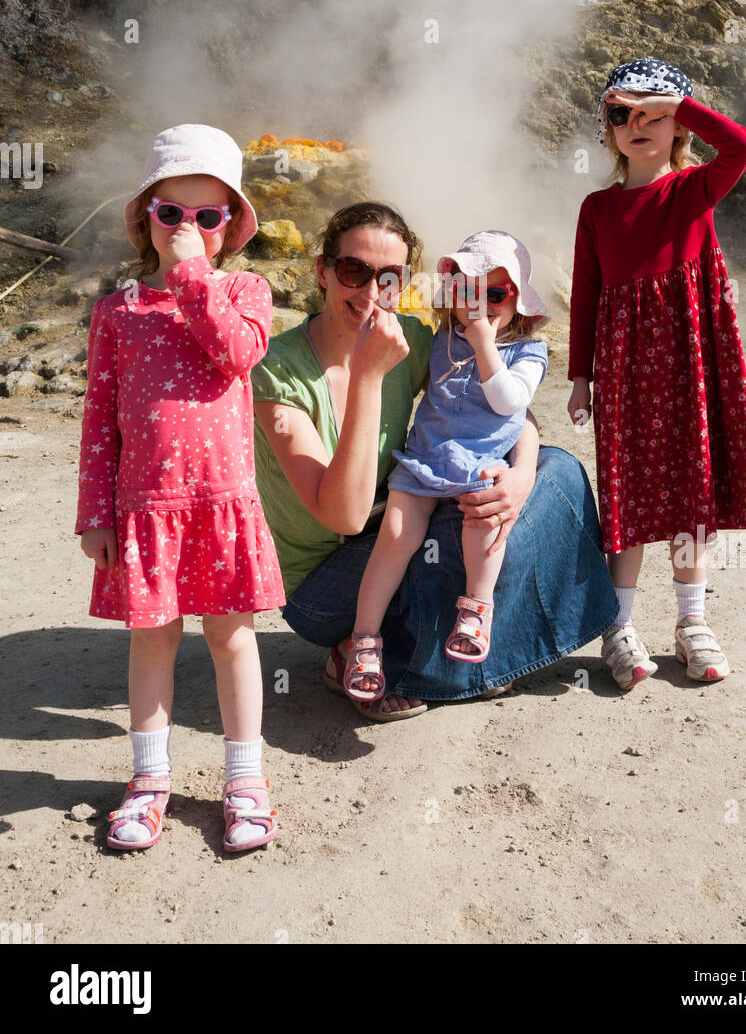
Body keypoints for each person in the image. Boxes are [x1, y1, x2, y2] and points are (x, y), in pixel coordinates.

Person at [252, 200, 618, 721]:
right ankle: (402, 661)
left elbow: (504, 412)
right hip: (322, 586)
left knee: (554, 471)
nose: (371, 292)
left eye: (390, 278)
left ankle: (443, 636)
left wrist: (518, 477)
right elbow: (345, 517)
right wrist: (369, 377)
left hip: (395, 524)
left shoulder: (416, 339)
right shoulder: (277, 370)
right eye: (354, 270)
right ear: (323, 271)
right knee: (449, 527)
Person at [76, 124, 285, 852]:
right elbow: (99, 416)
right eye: (172, 214)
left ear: (229, 227)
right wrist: (95, 513)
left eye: (206, 216)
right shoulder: (118, 311)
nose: (187, 230)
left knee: (231, 640)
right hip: (145, 510)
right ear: (146, 220)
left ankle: (246, 779)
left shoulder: (245, 292)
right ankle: (149, 779)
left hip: (220, 501)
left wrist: (196, 279)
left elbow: (238, 354)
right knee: (151, 643)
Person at [567, 57, 746, 691]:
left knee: (691, 490)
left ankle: (692, 622)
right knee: (629, 493)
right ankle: (620, 627)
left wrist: (677, 104)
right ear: (606, 129)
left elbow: (741, 144)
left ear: (678, 128)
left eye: (651, 115)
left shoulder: (693, 189)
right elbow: (585, 293)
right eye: (621, 114)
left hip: (691, 359)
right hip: (625, 365)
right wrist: (580, 377)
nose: (636, 124)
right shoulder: (598, 208)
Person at [344, 231, 549, 701]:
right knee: (396, 536)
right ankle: (365, 640)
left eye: (495, 294)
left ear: (517, 299)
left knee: (481, 522)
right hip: (424, 460)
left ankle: (477, 610)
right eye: (468, 293)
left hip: (482, 462)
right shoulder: (441, 339)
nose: (481, 306)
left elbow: (510, 403)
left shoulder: (528, 352)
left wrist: (485, 346)